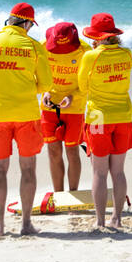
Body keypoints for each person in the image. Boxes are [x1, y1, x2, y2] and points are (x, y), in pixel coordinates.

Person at [0, 2, 50, 237]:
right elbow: (45, 84)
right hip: (27, 115)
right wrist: (21, 89)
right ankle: (26, 224)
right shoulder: (34, 47)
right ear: (26, 24)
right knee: (28, 168)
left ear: (9, 20)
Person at [77, 12, 132, 230]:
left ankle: (100, 221)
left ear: (98, 36)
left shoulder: (91, 57)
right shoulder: (127, 53)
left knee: (99, 171)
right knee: (118, 171)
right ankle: (117, 218)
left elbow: (83, 87)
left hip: (98, 115)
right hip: (123, 114)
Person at [40, 21, 88, 192]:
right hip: (49, 105)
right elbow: (38, 74)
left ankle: (72, 195)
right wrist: (45, 92)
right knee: (53, 152)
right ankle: (59, 194)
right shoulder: (43, 46)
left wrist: (71, 96)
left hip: (75, 106)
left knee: (72, 151)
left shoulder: (85, 51)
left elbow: (88, 84)